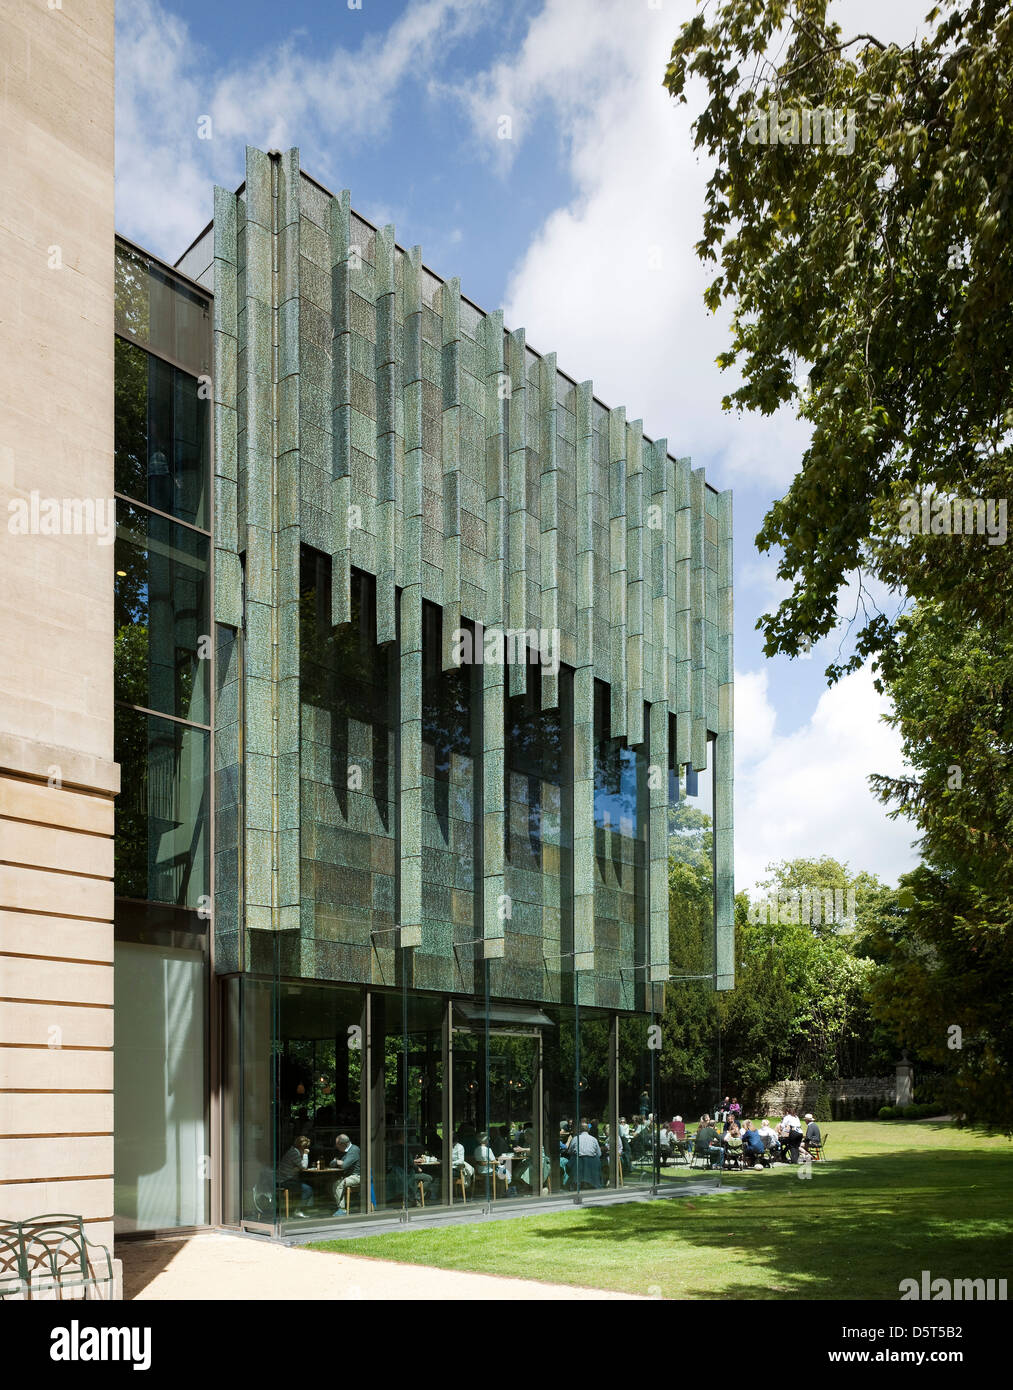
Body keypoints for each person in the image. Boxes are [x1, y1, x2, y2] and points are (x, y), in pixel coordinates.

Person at [278, 1134, 313, 1216]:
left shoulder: (293, 1151)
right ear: (302, 1147)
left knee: (306, 1185)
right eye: (306, 1147)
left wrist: (298, 1168)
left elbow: (300, 1167)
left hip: (287, 1178)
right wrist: (305, 1154)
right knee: (308, 1189)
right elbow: (304, 1166)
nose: (307, 1149)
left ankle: (301, 1209)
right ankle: (298, 1210)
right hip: (284, 1180)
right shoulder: (294, 1153)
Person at [329, 1133, 360, 1215]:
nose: (336, 1146)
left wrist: (338, 1162)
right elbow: (332, 1163)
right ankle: (339, 1205)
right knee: (331, 1184)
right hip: (348, 1176)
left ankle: (342, 1209)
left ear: (344, 1144)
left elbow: (344, 1165)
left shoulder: (354, 1150)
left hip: (357, 1176)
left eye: (338, 1145)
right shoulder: (345, 1151)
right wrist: (337, 1161)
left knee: (338, 1184)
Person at [567, 1121, 603, 1189]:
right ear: (588, 1130)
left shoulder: (575, 1139)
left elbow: (570, 1152)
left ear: (579, 1129)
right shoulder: (593, 1139)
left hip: (578, 1162)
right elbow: (599, 1154)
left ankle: (573, 1183)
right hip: (592, 1163)